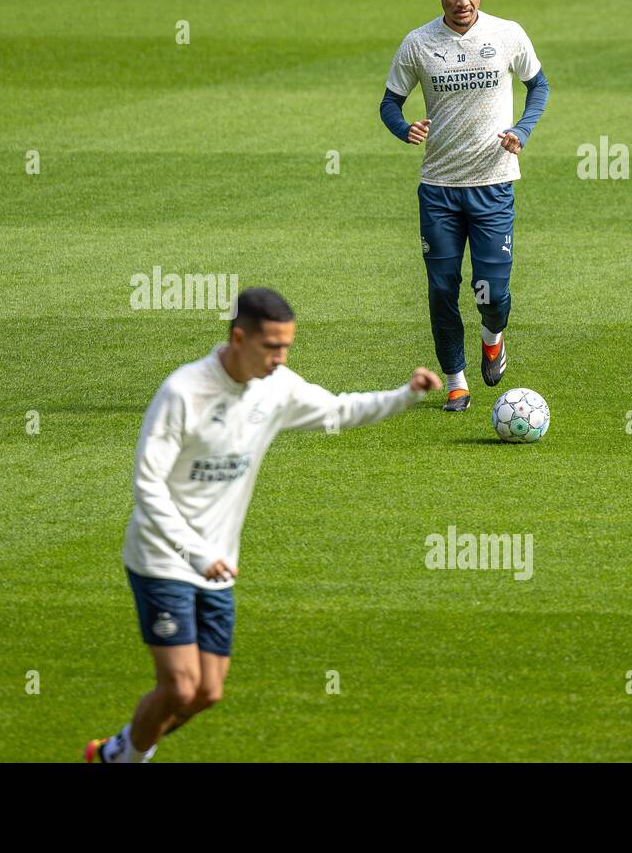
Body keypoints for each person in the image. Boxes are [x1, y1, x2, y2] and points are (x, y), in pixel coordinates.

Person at [85, 287, 441, 762]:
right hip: (162, 558)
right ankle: (126, 759)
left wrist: (405, 395)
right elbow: (147, 486)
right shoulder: (184, 392)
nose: (281, 356)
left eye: (287, 346)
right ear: (238, 337)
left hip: (219, 564)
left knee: (206, 693)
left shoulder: (277, 387)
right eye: (272, 346)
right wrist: (195, 552)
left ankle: (115, 752)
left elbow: (337, 411)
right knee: (180, 684)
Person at [379, 0, 550, 411]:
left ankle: (493, 338)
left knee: (492, 292)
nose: (463, 2)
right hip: (439, 189)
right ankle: (456, 380)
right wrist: (403, 127)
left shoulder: (507, 34)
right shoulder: (418, 44)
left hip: (494, 184)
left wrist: (522, 129)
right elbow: (389, 103)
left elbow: (539, 86)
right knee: (442, 287)